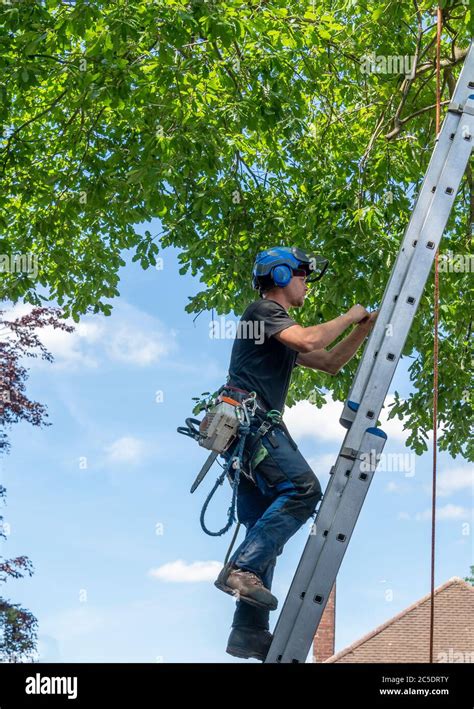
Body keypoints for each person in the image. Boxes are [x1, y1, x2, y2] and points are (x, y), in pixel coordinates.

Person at [214, 246, 377, 661]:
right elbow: (309, 338)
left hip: (242, 440)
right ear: (283, 276)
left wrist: (362, 332)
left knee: (264, 531)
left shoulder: (275, 330)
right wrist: (351, 314)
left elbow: (326, 361)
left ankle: (247, 632)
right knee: (304, 490)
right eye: (303, 275)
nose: (306, 284)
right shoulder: (262, 312)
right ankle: (239, 570)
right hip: (251, 427)